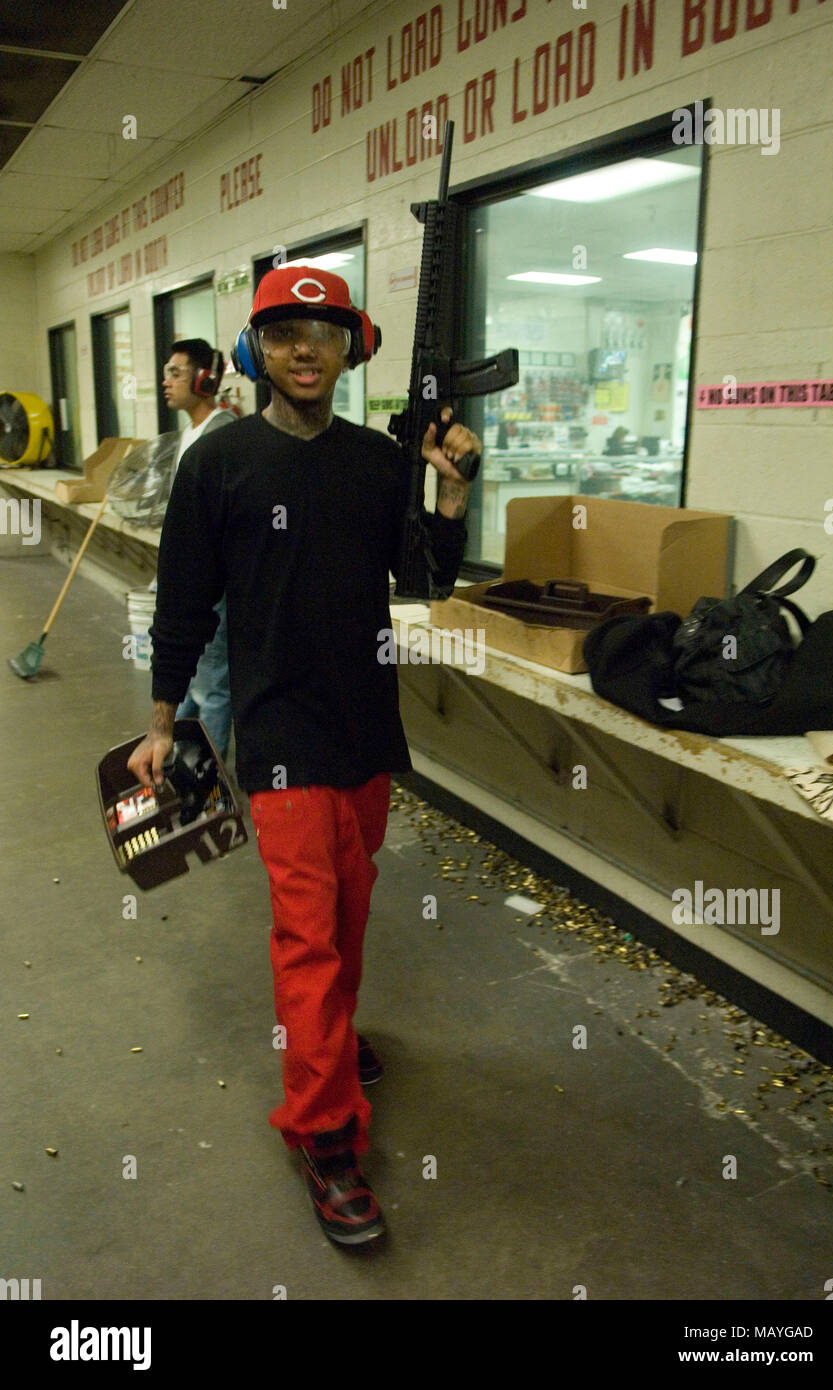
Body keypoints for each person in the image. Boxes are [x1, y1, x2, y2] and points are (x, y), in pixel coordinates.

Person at [127, 265, 480, 1247]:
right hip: (278, 731)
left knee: (353, 904)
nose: (304, 347)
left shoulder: (373, 461)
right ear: (257, 350)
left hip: (365, 724)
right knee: (308, 933)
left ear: (347, 347)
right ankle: (322, 1138)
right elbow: (183, 603)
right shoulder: (221, 463)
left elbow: (420, 578)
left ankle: (329, 1041)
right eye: (283, 331)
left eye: (322, 331)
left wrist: (447, 495)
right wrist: (164, 725)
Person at [159, 339, 235, 759]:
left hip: (212, 585)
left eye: (176, 372)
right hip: (188, 580)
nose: (166, 381)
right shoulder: (189, 433)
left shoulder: (220, 434)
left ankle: (208, 783)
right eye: (166, 372)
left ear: (205, 379)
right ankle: (181, 759)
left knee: (213, 685)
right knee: (189, 680)